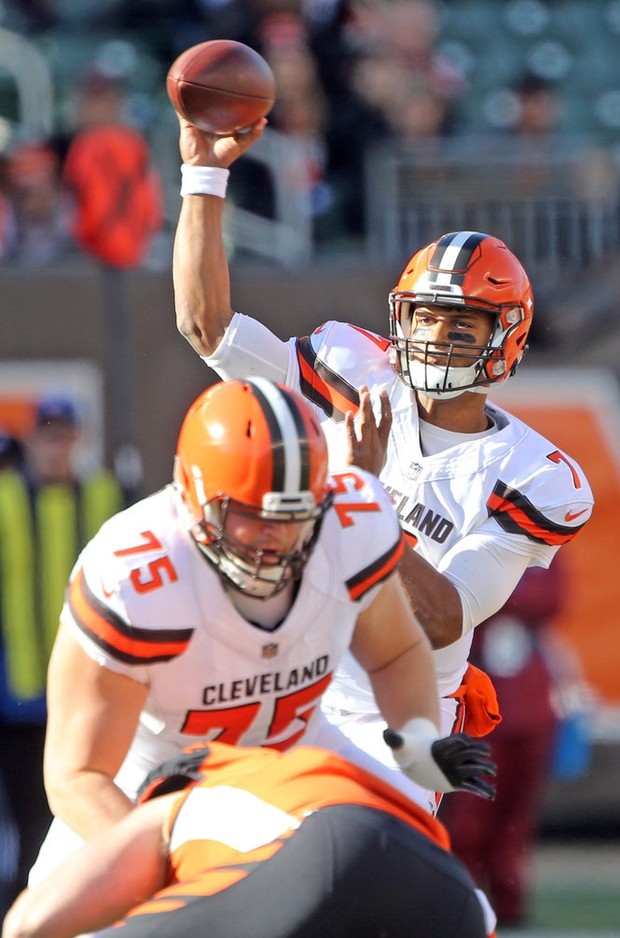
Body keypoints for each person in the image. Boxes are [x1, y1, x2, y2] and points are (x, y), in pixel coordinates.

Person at [170, 115, 594, 814]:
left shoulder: (533, 476)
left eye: (462, 324)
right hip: (282, 670)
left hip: (390, 715)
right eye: (425, 317)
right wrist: (204, 173)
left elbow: (440, 619)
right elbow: (206, 326)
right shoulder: (354, 370)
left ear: (505, 340)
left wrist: (362, 494)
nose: (436, 336)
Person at [28, 377, 496, 887]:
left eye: (295, 517)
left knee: (425, 879)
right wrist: (167, 868)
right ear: (193, 496)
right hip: (150, 786)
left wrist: (417, 743)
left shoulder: (350, 525)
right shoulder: (133, 577)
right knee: (47, 923)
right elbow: (78, 778)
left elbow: (395, 652)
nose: (276, 539)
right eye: (253, 518)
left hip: (293, 755)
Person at [6, 741, 497, 938]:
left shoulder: (177, 809)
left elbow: (29, 924)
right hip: (452, 894)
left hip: (324, 853)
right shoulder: (288, 771)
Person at [0, 396, 123, 917]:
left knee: (81, 813)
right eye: (46, 434)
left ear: (77, 439)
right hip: (19, 695)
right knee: (28, 819)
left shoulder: (104, 494)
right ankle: (25, 914)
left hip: (90, 690)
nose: (55, 446)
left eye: (63, 434)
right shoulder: (6, 498)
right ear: (33, 441)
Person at [439, 560, 586, 929]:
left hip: (529, 703)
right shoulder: (476, 539)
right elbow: (461, 600)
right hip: (480, 700)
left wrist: (498, 588)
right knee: (468, 815)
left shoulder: (545, 546)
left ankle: (508, 900)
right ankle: (462, 898)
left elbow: (549, 599)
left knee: (515, 817)